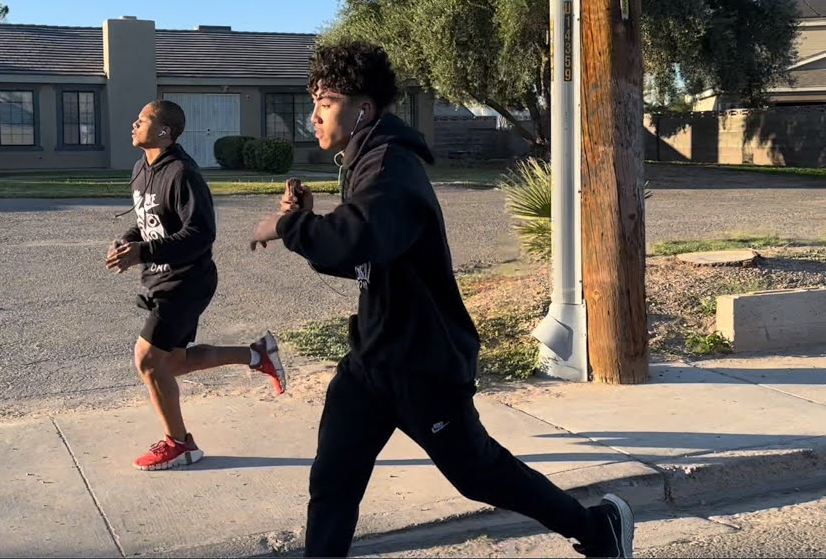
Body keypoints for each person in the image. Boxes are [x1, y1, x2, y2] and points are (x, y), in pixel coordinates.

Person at [247, 42, 636, 558]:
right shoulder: (365, 162)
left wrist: (287, 226)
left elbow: (357, 237)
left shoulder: (391, 167)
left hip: (421, 363)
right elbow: (363, 257)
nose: (314, 115)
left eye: (327, 102)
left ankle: (597, 528)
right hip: (373, 360)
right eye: (313, 102)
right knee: (333, 481)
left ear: (363, 109)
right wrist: (308, 226)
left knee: (478, 473)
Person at [107, 99, 286, 471]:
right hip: (159, 277)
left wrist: (143, 251)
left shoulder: (182, 174)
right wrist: (127, 242)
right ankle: (257, 355)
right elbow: (147, 222)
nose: (134, 124)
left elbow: (202, 234)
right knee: (173, 362)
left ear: (164, 131)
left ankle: (180, 444)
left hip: (186, 280)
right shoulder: (142, 169)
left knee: (148, 360)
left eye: (142, 119)